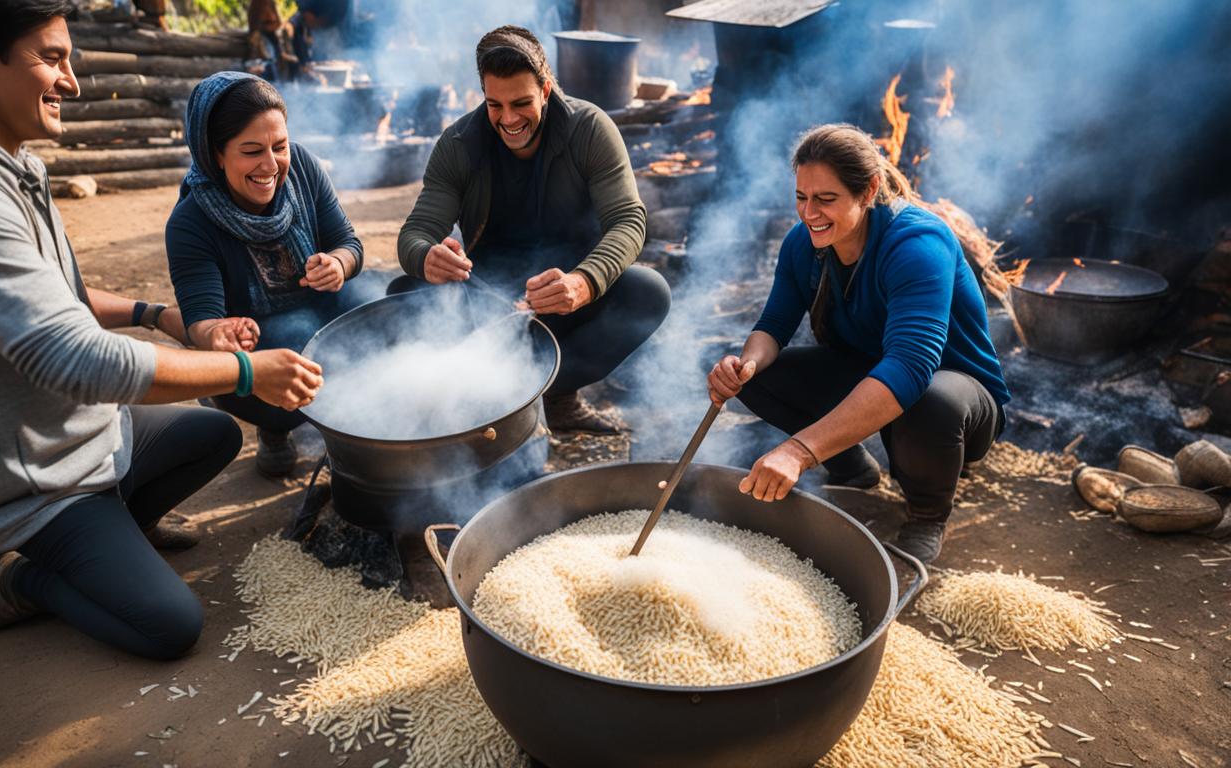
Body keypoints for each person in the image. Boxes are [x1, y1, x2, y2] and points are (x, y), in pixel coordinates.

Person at [0, 0, 324, 659]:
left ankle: (114, 533)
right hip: (36, 475)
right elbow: (80, 362)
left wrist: (159, 315)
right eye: (53, 59)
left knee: (208, 432)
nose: (72, 82)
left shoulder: (0, 160)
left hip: (86, 429)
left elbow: (58, 299)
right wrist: (248, 370)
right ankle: (29, 574)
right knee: (170, 625)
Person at [707, 124, 1009, 564]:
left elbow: (909, 368)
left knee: (930, 400)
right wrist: (744, 365)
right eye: (801, 197)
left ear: (868, 191)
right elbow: (774, 324)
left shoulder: (917, 242)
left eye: (825, 199)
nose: (809, 213)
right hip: (869, 374)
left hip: (955, 401)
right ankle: (852, 467)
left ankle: (927, 515)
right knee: (759, 378)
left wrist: (799, 451)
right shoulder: (803, 244)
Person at [395, 25, 671, 434]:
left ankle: (549, 395)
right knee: (401, 296)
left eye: (521, 103)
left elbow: (629, 221)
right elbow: (414, 234)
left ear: (545, 89)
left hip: (569, 297)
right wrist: (426, 256)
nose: (508, 119)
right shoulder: (459, 144)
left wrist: (583, 282)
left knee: (649, 293)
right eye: (495, 105)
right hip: (486, 299)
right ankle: (484, 395)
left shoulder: (589, 129)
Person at [166, 71, 377, 476]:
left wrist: (338, 264)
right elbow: (202, 321)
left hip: (322, 307)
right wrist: (218, 335)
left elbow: (349, 244)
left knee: (376, 303)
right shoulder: (190, 223)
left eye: (279, 147)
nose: (271, 165)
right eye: (251, 151)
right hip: (264, 340)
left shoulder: (303, 169)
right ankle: (274, 426)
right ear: (215, 154)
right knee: (297, 338)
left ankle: (350, 423)